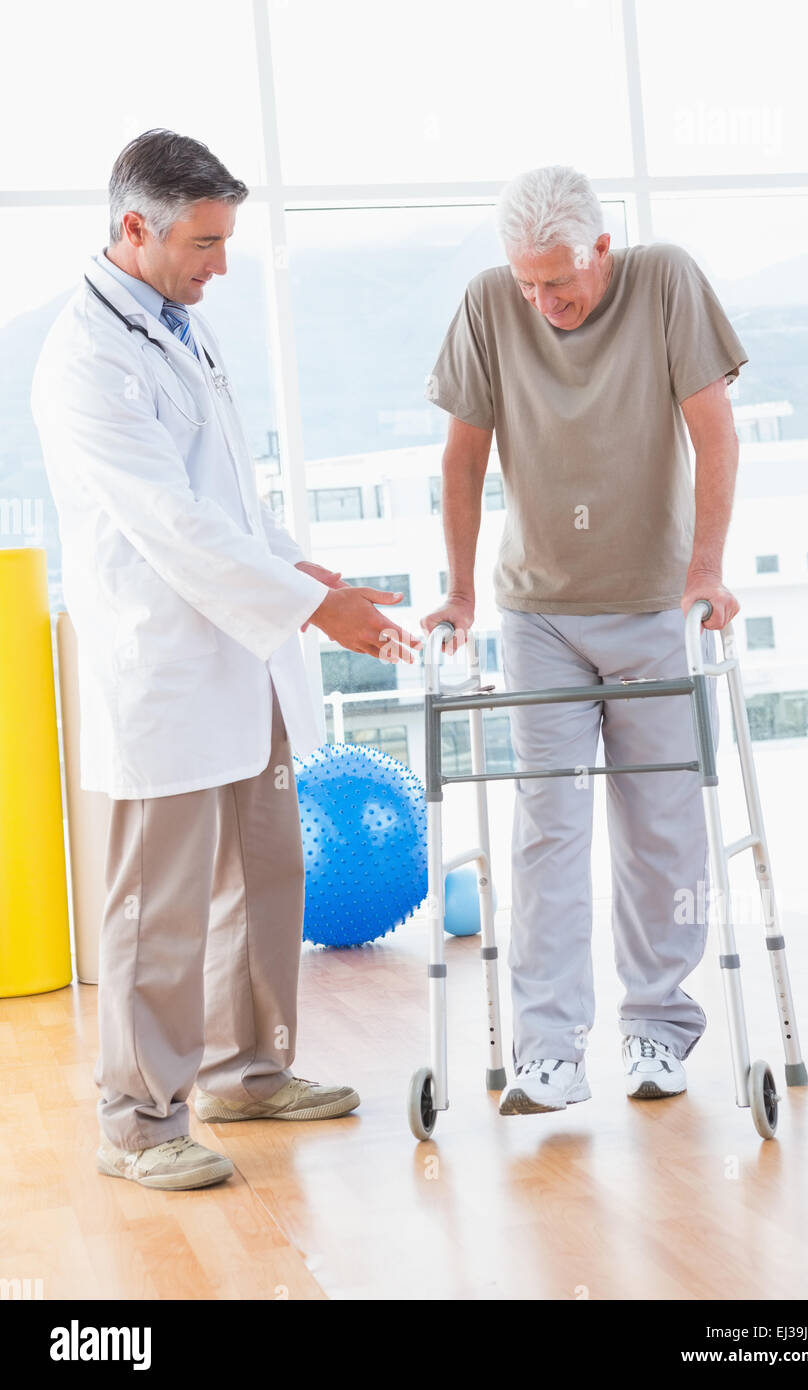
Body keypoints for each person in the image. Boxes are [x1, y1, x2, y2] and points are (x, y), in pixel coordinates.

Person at [31, 129, 423, 1189]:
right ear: (134, 228)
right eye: (204, 242)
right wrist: (313, 606)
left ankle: (247, 1072)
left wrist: (301, 569)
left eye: (225, 239)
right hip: (162, 667)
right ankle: (137, 1121)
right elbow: (169, 522)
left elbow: (226, 502)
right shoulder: (85, 359)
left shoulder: (179, 329)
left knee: (264, 870)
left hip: (242, 652)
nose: (219, 263)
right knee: (157, 901)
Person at [421, 165, 747, 1116]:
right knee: (547, 831)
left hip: (652, 605)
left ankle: (656, 1028)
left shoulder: (667, 281)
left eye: (557, 281)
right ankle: (549, 1051)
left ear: (602, 249)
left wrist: (706, 570)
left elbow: (714, 433)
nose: (542, 301)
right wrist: (459, 592)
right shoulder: (491, 303)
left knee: (660, 828)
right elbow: (462, 455)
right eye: (527, 283)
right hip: (540, 616)